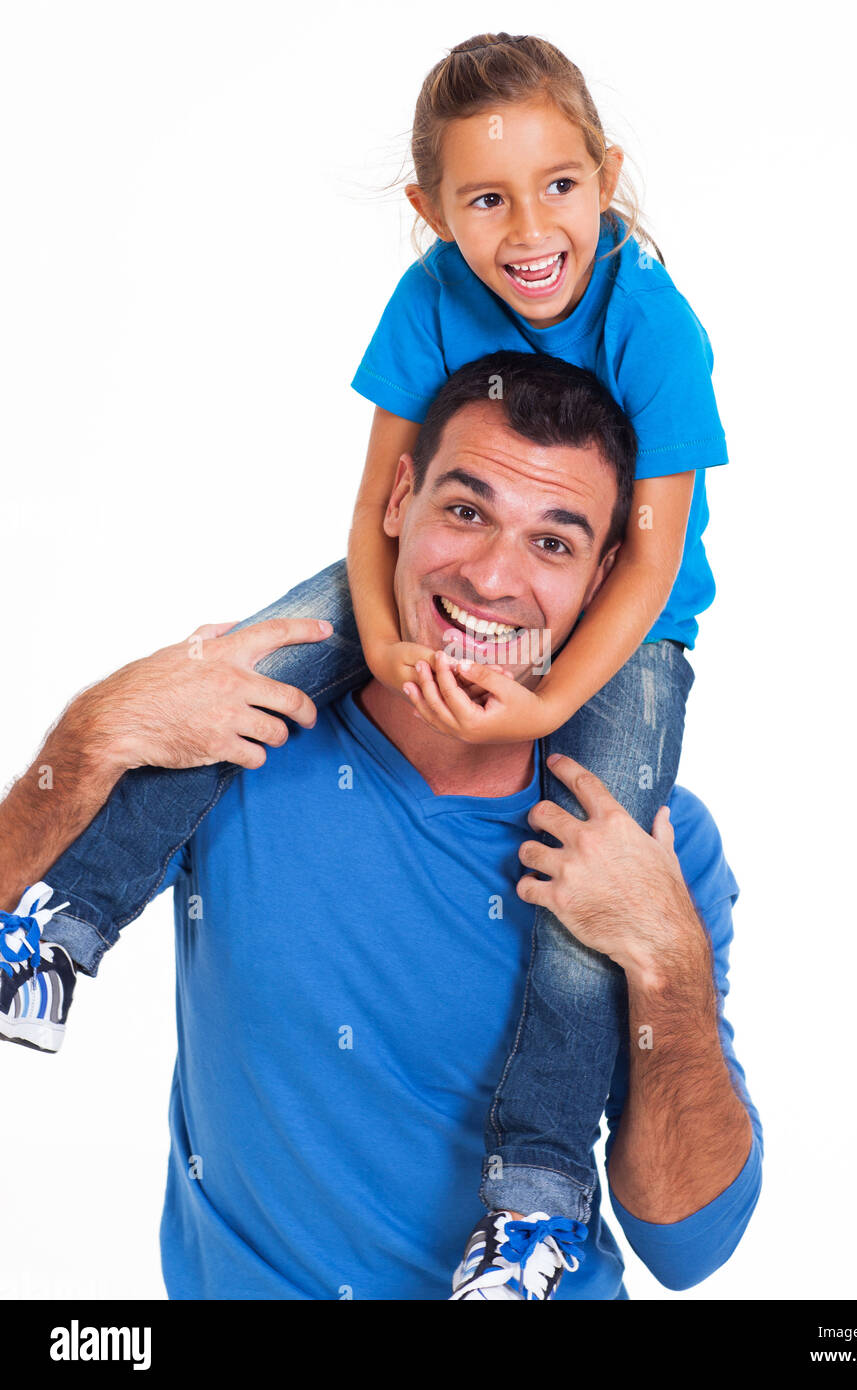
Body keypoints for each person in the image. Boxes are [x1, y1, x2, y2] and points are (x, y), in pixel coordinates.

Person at [2, 29, 732, 1290]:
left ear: (606, 176)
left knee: (584, 838)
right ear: (429, 210)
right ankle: (61, 931)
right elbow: (364, 505)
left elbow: (649, 560)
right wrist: (95, 737)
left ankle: (539, 1198)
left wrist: (660, 949)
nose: (526, 229)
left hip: (638, 633)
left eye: (558, 187)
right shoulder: (428, 302)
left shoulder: (652, 327)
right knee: (254, 663)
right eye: (485, 198)